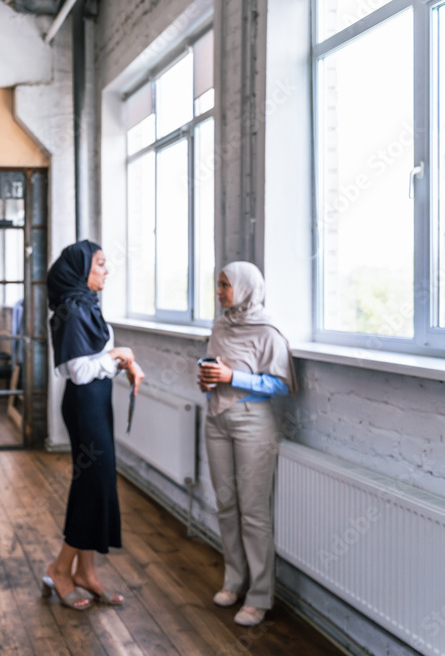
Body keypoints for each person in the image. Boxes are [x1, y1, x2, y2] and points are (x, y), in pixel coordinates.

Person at [42, 240, 143, 610]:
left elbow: (97, 359)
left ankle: (86, 572)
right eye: (99, 264)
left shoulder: (86, 305)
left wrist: (123, 362)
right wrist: (120, 355)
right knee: (94, 487)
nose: (106, 270)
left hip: (97, 402)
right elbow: (80, 370)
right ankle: (59, 568)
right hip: (85, 404)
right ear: (80, 270)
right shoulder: (70, 310)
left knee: (94, 485)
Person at [197, 261, 296, 627]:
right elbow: (216, 368)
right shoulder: (221, 325)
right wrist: (208, 379)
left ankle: (259, 596)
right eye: (218, 285)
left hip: (253, 422)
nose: (219, 292)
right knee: (226, 504)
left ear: (245, 287)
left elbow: (281, 385)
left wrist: (232, 376)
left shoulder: (268, 330)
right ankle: (234, 581)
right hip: (217, 417)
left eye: (225, 286)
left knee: (254, 512)